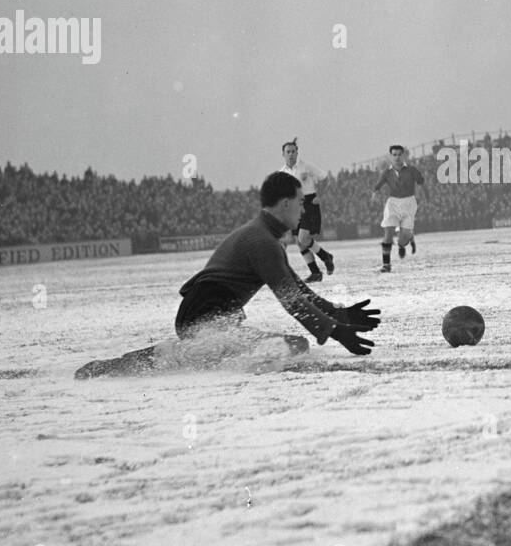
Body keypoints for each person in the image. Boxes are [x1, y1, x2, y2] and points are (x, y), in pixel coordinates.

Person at [74, 173, 379, 378]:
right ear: (285, 203)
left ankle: (113, 366)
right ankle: (108, 368)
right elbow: (292, 303)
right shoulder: (262, 241)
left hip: (210, 314)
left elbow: (298, 292)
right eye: (301, 202)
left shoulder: (265, 239)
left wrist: (343, 315)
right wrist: (336, 331)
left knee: (282, 347)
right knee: (286, 347)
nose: (303, 209)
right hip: (203, 316)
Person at [276, 138, 334, 282]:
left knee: (303, 238)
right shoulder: (281, 173)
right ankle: (316, 272)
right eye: (288, 152)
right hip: (293, 206)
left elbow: (326, 178)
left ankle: (325, 256)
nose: (291, 154)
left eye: (293, 151)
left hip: (309, 203)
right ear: (283, 154)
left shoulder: (306, 166)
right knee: (299, 242)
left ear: (297, 152)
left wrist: (320, 195)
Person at [374, 144, 426, 272]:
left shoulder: (412, 170)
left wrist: (426, 199)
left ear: (404, 156)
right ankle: (386, 265)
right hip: (393, 203)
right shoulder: (387, 172)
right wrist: (374, 195)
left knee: (403, 237)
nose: (397, 157)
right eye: (394, 155)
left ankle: (403, 244)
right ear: (390, 157)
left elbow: (421, 184)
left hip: (409, 202)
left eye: (399, 154)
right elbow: (377, 186)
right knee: (388, 233)